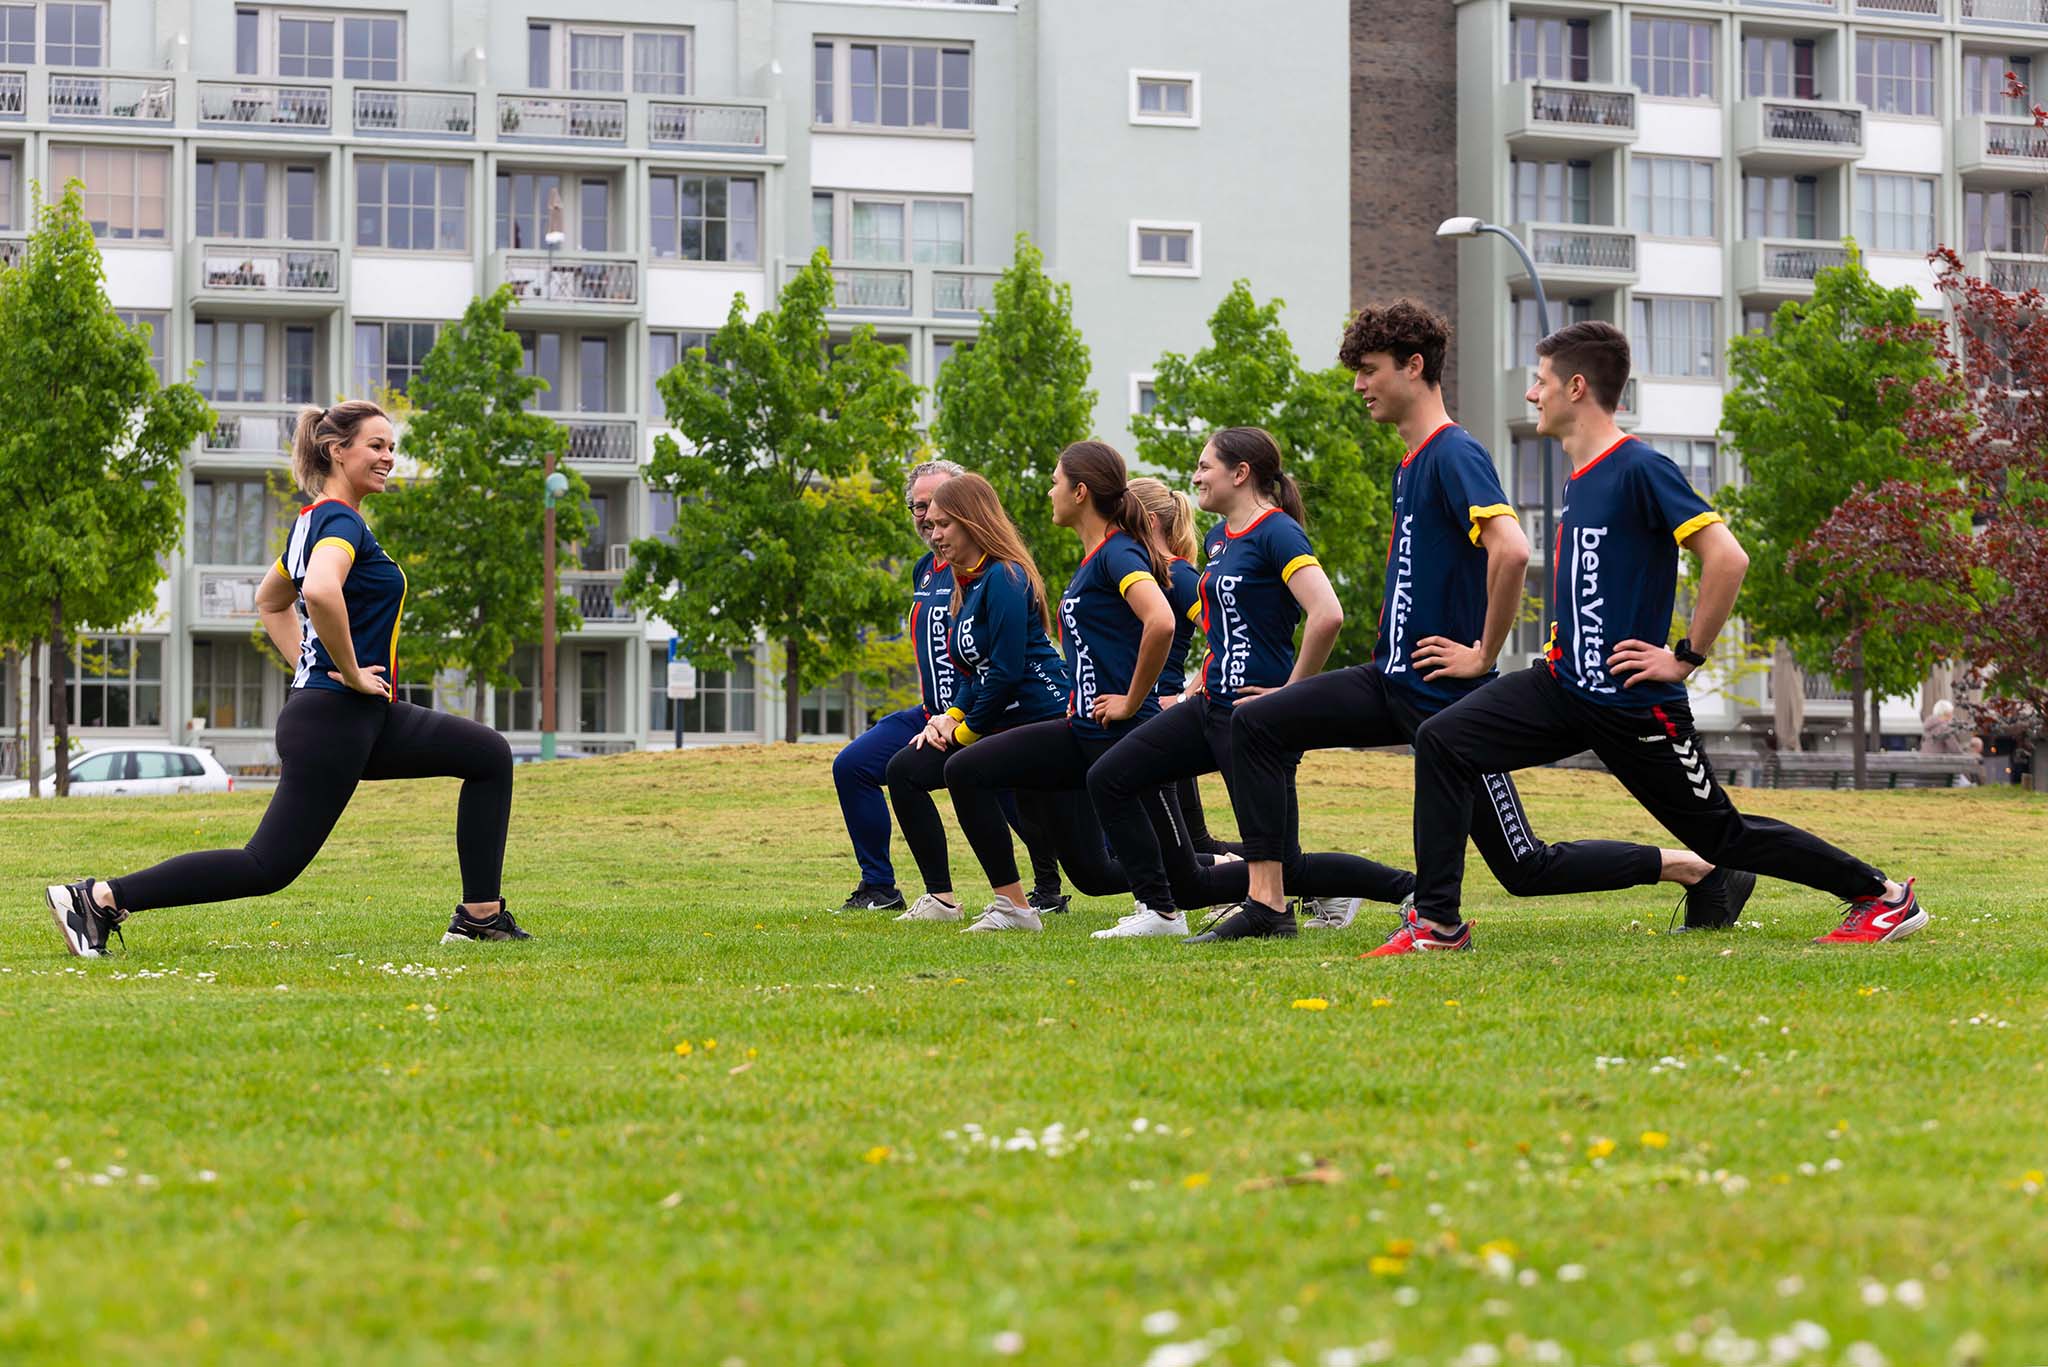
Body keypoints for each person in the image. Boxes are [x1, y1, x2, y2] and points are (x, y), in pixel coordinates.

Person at [1226, 300, 1752, 954]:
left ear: (1414, 367)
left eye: (1369, 369)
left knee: (1523, 867)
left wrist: (1481, 653)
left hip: (1448, 700)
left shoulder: (1455, 453)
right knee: (1256, 723)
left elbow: (1509, 547)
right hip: (1390, 681)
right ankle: (1266, 900)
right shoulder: (1411, 461)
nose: (1359, 384)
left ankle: (1700, 866)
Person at [1406, 321, 1923, 948]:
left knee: (1723, 837)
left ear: (1575, 386)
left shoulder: (1640, 467)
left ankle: (1883, 896)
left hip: (1632, 702)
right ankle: (1436, 923)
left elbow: (1727, 558)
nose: (1531, 395)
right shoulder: (1579, 477)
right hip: (1562, 686)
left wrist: (1685, 657)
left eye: (1540, 382)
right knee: (1443, 740)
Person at [45, 401, 526, 957]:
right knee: (266, 865)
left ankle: (480, 916)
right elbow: (319, 592)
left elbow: (271, 600)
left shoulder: (316, 519)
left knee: (487, 755)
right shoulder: (340, 522)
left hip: (356, 715)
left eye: (391, 447)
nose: (389, 457)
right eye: (376, 445)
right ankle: (98, 898)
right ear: (336, 450)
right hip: (335, 718)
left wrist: (315, 662)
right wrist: (344, 670)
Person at [1085, 427, 1413, 941]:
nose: (1194, 476)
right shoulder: (1219, 542)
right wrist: (1195, 685)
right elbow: (1224, 627)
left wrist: (1292, 697)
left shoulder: (1277, 532)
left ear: (1241, 474)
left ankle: (1409, 889)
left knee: (1283, 862)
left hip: (1258, 718)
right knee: (1111, 776)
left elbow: (1327, 614)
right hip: (1210, 706)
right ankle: (1162, 908)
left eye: (1204, 466)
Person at [942, 445, 1258, 932]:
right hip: (1084, 728)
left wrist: (1145, 697)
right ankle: (1018, 908)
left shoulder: (1122, 554)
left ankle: (1312, 883)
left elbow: (1165, 624)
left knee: (1191, 877)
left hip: (1131, 732)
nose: (1050, 491)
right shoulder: (1097, 557)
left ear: (1081, 491)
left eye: (1055, 481)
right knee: (973, 775)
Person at [830, 460, 1066, 915]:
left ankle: (1048, 888)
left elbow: (1004, 666)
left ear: (967, 510)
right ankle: (887, 887)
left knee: (1086, 851)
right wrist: (950, 717)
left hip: (999, 713)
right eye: (920, 508)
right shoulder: (927, 570)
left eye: (939, 511)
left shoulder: (1000, 574)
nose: (927, 519)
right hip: (941, 711)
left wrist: (967, 722)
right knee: (861, 766)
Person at [1130, 476, 1239, 863]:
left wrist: (1184, 695)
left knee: (1190, 846)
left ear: (1150, 520)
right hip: (1143, 714)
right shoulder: (1141, 573)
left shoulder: (1177, 575)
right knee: (1196, 844)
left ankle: (1308, 884)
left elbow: (1224, 634)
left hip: (1160, 716)